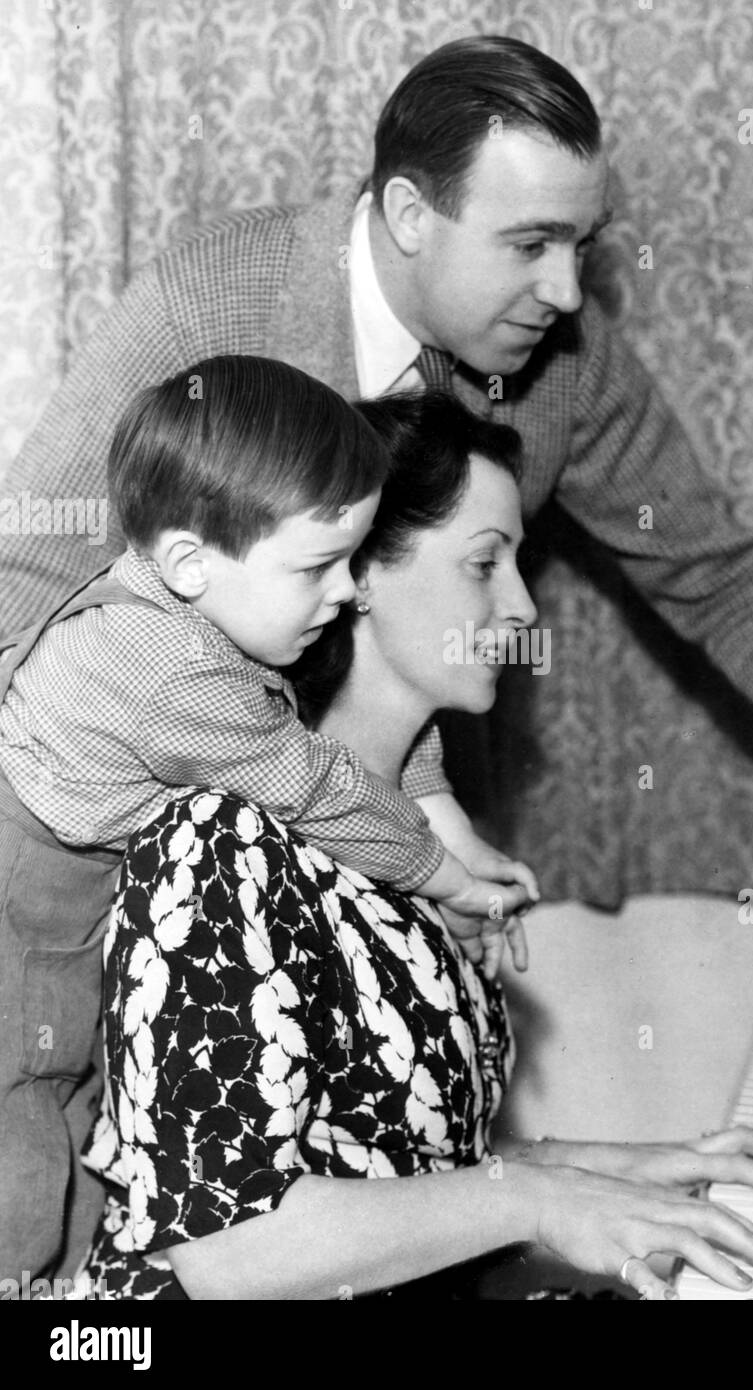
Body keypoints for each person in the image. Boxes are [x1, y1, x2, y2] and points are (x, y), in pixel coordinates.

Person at [0, 34, 753, 855]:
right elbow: (29, 577)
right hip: (163, 859)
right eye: (530, 244)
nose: (569, 292)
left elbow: (708, 564)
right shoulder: (207, 304)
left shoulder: (561, 358)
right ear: (412, 214)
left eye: (583, 243)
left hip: (407, 832)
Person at [78, 390, 753, 1300]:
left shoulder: (415, 841)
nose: (523, 607)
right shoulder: (221, 845)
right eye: (484, 564)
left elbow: (386, 1160)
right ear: (358, 572)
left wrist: (611, 1169)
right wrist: (535, 1197)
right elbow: (232, 1249)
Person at [0, 357, 532, 1286]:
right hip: (21, 928)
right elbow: (314, 782)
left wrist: (440, 819)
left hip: (66, 919)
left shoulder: (204, 614)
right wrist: (443, 873)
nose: (341, 592)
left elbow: (339, 751)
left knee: (75, 1138)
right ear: (189, 563)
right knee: (22, 1154)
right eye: (324, 566)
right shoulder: (178, 681)